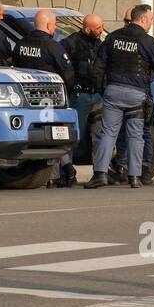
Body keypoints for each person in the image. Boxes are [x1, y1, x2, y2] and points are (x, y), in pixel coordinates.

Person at [88, 4, 154, 189]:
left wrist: (102, 88)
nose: (151, 23)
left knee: (107, 133)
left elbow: (98, 65)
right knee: (136, 135)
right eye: (151, 20)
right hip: (136, 93)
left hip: (113, 91)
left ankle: (100, 174)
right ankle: (134, 177)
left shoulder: (112, 37)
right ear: (142, 19)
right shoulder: (148, 41)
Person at [12, 10, 77, 186]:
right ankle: (56, 174)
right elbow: (68, 73)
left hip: (26, 100)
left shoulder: (20, 44)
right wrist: (65, 93)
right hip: (50, 100)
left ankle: (52, 173)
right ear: (49, 25)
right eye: (54, 24)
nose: (55, 28)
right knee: (55, 135)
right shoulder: (52, 46)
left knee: (35, 136)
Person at [63, 13, 106, 182]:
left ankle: (100, 171)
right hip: (79, 96)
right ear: (86, 28)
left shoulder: (100, 44)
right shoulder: (70, 43)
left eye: (101, 26)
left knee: (100, 135)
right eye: (97, 28)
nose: (101, 30)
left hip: (97, 95)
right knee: (74, 135)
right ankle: (67, 170)